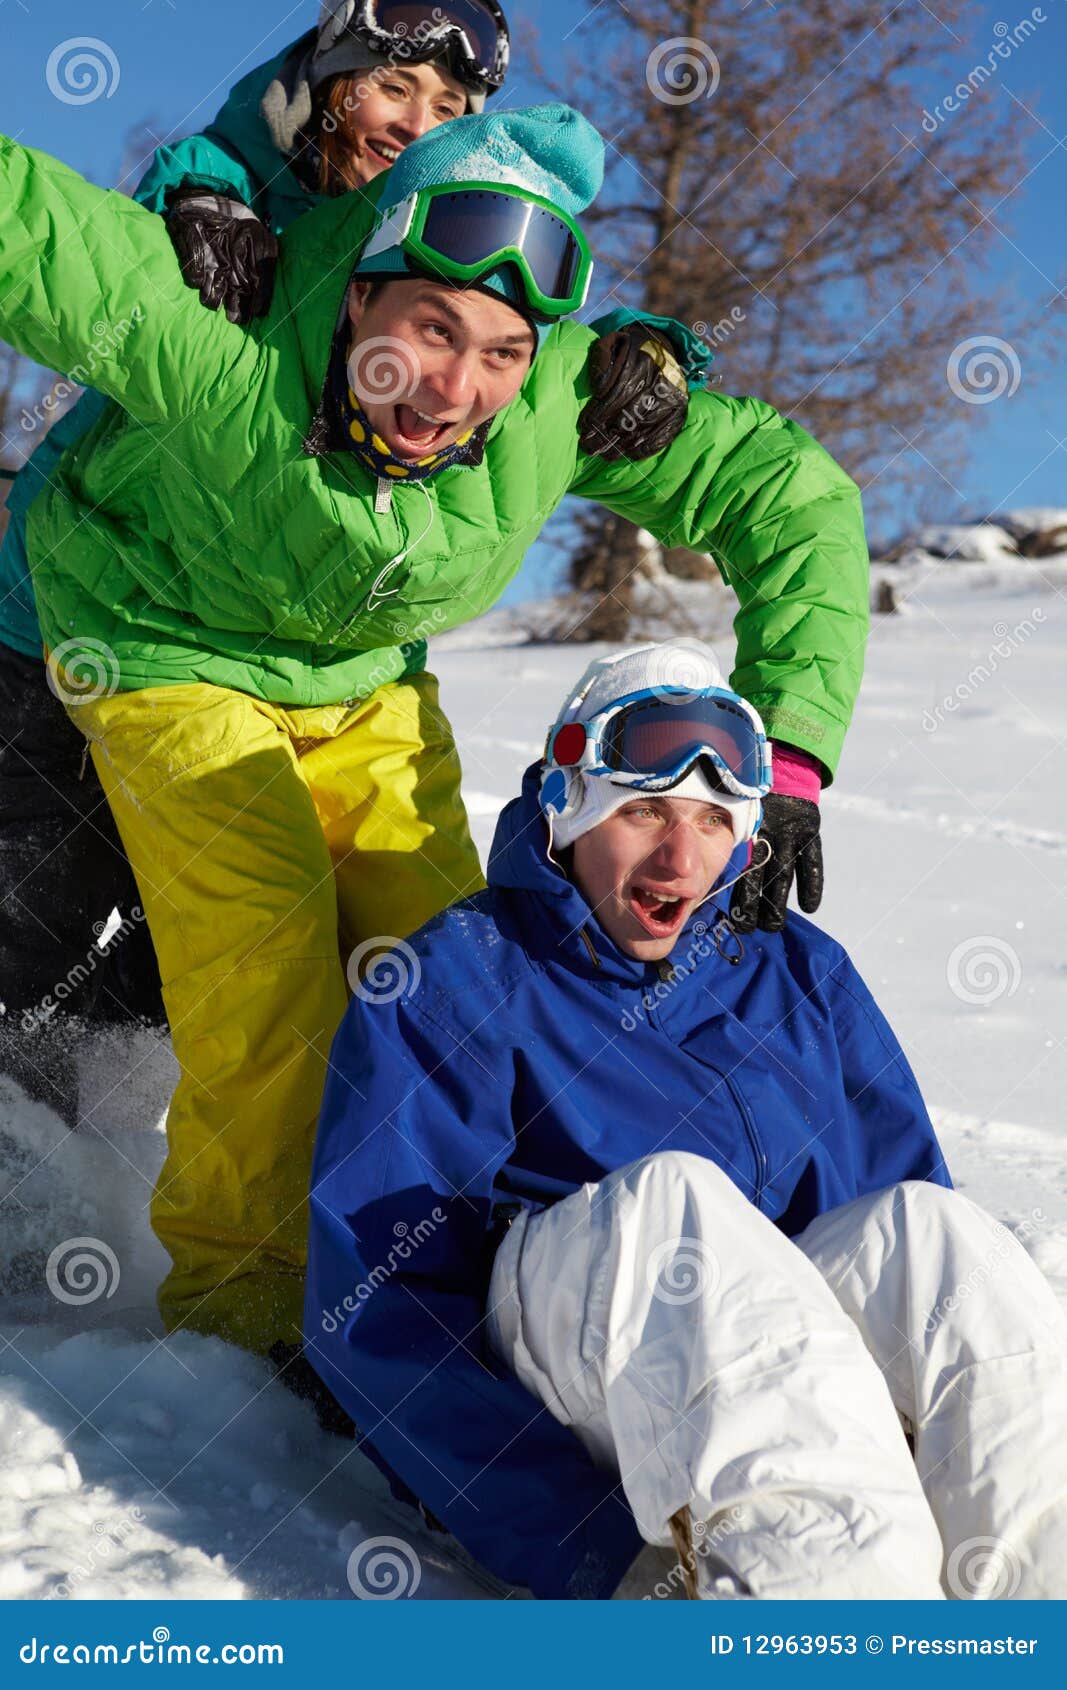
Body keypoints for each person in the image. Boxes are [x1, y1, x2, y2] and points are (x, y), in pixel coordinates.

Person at [0, 97, 870, 1364]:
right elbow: (30, 228)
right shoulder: (224, 326)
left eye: (503, 352)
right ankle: (250, 1322)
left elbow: (791, 496)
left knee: (448, 970)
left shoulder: (556, 404)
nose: (452, 388)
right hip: (159, 643)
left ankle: (484, 1263)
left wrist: (786, 751)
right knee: (270, 963)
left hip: (356, 677)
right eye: (428, 328)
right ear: (358, 295)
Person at [0, 0, 692, 1119]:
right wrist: (192, 190)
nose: (415, 123)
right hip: (57, 626)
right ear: (327, 84)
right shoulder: (228, 185)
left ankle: (160, 1143)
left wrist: (655, 349)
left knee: (234, 942)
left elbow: (511, 310)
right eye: (392, 87)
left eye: (450, 107)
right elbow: (71, 250)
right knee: (38, 925)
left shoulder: (437, 237)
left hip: (263, 657)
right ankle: (31, 1186)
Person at [305, 641, 1067, 1601]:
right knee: (677, 1205)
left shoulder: (798, 972)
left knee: (935, 1232)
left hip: (775, 1382)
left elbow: (899, 1262)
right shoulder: (454, 979)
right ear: (570, 808)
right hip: (570, 1375)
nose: (680, 854)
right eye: (643, 810)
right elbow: (376, 1307)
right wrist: (586, 1546)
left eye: (713, 820)